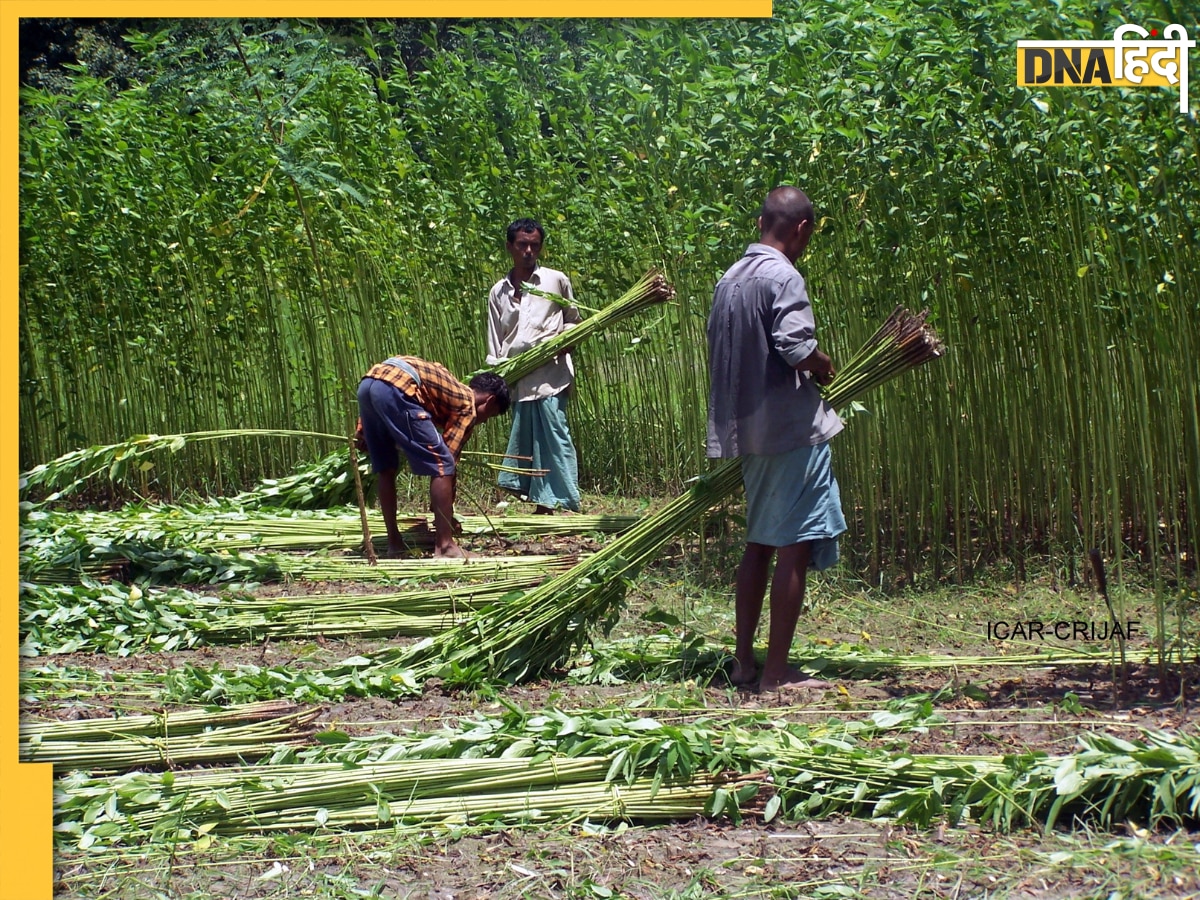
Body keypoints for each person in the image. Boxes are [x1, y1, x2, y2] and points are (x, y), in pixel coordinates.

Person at [706, 186, 847, 692]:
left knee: (759, 544)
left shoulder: (729, 279)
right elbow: (793, 344)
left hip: (749, 432)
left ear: (763, 221)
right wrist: (822, 363)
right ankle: (776, 674)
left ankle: (744, 662)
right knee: (795, 548)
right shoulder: (783, 276)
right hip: (790, 432)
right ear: (802, 229)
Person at [356, 355, 509, 559]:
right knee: (443, 464)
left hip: (369, 384)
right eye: (489, 416)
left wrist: (362, 430)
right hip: (397, 386)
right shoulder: (467, 405)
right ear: (489, 402)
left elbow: (383, 384)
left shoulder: (447, 384)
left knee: (386, 467)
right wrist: (446, 517)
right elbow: (447, 464)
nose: (482, 420)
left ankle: (395, 543)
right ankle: (445, 546)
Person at [486, 218, 582, 513]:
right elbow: (495, 340)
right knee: (526, 438)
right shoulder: (498, 292)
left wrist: (567, 339)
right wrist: (498, 376)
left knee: (554, 433)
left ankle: (563, 500)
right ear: (509, 247)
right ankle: (539, 501)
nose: (528, 250)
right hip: (519, 376)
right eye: (522, 245)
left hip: (551, 373)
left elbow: (573, 320)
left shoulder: (555, 280)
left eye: (534, 245)